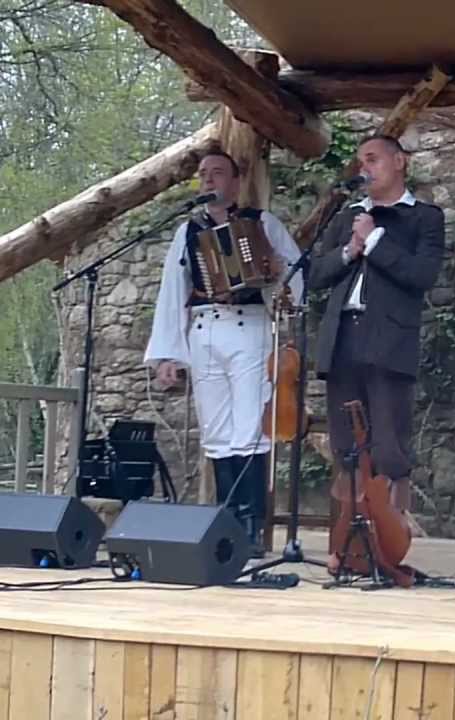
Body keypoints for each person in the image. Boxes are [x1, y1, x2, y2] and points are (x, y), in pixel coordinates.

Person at [146, 150, 303, 556]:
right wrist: (169, 355)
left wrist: (273, 274)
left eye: (218, 173)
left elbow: (296, 272)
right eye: (203, 174)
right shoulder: (188, 231)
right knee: (215, 431)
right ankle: (226, 519)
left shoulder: (261, 223)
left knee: (249, 426)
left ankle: (250, 526)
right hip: (204, 330)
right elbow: (172, 292)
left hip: (248, 326)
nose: (209, 180)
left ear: (236, 181)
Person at [308, 134, 446, 532]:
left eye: (373, 158)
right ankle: (349, 543)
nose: (364, 167)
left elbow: (421, 276)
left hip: (389, 341)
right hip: (342, 339)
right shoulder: (347, 216)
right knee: (345, 444)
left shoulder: (424, 217)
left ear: (400, 161)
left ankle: (390, 542)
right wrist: (351, 248)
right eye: (360, 161)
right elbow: (316, 274)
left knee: (389, 443)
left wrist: (375, 240)